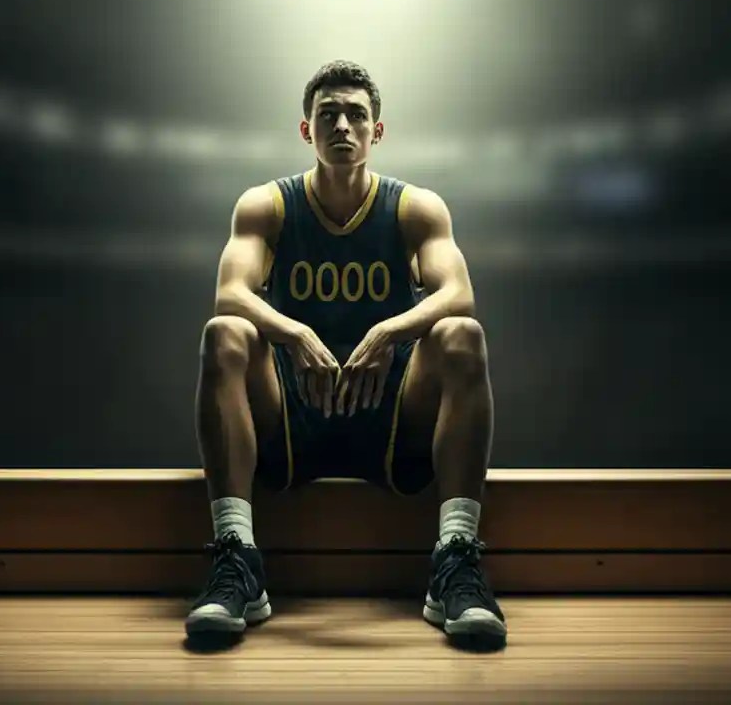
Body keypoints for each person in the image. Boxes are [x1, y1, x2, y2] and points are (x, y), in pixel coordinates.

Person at [187, 60, 504, 644]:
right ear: (306, 130)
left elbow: (460, 293)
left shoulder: (415, 208)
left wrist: (389, 332)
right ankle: (237, 561)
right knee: (222, 333)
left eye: (356, 114)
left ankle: (455, 560)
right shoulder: (267, 206)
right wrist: (294, 333)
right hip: (292, 412)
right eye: (327, 114)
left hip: (388, 412)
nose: (342, 125)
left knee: (463, 335)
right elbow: (229, 292)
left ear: (376, 131)